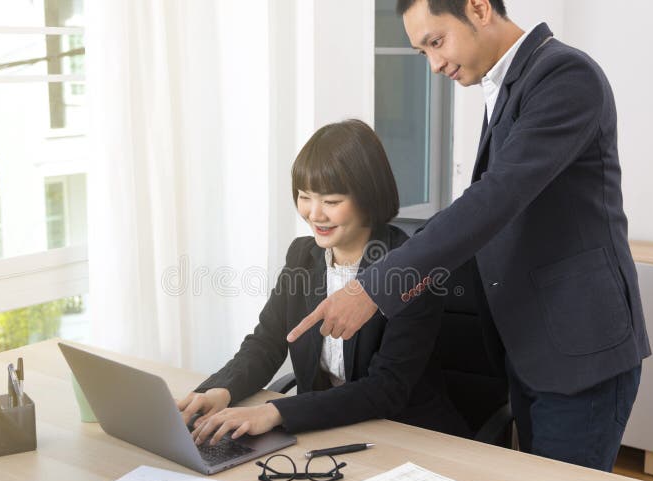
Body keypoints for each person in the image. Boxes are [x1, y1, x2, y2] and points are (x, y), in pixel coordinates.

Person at [287, 0, 650, 472]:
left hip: (581, 347)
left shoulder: (564, 75)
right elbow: (485, 203)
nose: (435, 64)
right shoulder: (505, 86)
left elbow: (496, 199)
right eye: (422, 52)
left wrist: (375, 287)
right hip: (533, 345)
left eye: (436, 42)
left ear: (478, 8)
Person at [178, 119, 470, 445]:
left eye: (331, 202)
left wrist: (277, 412)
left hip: (406, 436)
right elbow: (267, 343)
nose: (314, 213)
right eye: (305, 196)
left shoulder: (408, 267)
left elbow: (386, 388)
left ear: (368, 197)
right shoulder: (303, 256)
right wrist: (223, 389)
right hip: (327, 432)